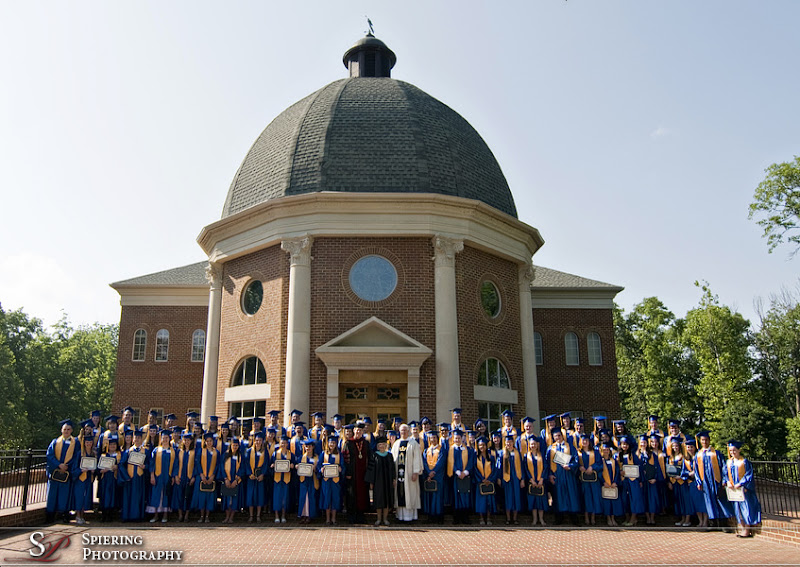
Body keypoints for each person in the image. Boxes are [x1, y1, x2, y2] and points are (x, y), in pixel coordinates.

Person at [694, 430, 733, 526]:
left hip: (716, 481)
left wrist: (724, 480)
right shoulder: (698, 455)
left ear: (709, 440)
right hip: (705, 483)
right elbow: (696, 471)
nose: (704, 442)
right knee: (709, 502)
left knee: (720, 500)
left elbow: (724, 467)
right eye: (702, 440)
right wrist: (699, 482)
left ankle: (724, 524)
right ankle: (713, 523)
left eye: (706, 440)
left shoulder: (716, 453)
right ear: (700, 441)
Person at [724, 440, 761, 538]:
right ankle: (743, 528)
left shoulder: (744, 462)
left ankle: (747, 530)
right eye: (731, 451)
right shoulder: (729, 462)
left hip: (743, 490)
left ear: (739, 450)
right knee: (738, 510)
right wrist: (727, 482)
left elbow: (749, 475)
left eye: (734, 450)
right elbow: (725, 474)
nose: (732, 452)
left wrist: (741, 484)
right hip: (734, 490)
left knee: (746, 509)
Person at [546, 428, 581, 525]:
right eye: (555, 436)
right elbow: (547, 464)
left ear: (562, 436)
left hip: (568, 475)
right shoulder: (550, 449)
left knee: (571, 495)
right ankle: (559, 518)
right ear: (553, 437)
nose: (558, 438)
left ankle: (574, 517)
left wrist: (570, 466)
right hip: (557, 476)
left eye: (559, 435)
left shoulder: (570, 447)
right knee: (558, 496)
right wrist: (550, 475)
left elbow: (576, 460)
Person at [46, 419, 77, 523]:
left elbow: (76, 457)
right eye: (65, 429)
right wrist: (59, 465)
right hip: (55, 472)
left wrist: (66, 466)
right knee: (52, 494)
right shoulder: (55, 442)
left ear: (71, 430)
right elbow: (50, 455)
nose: (66, 431)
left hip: (66, 473)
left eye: (68, 429)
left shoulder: (75, 443)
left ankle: (64, 514)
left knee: (65, 495)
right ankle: (50, 515)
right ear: (61, 430)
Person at [391, 423, 423, 523]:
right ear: (399, 432)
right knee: (400, 494)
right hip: (398, 474)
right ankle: (400, 516)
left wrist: (416, 472)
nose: (403, 432)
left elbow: (417, 458)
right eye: (401, 430)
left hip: (409, 474)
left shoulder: (413, 443)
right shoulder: (396, 443)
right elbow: (393, 459)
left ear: (408, 431)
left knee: (410, 494)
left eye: (405, 430)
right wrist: (392, 475)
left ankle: (411, 517)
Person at [344, 422, 371, 524]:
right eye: (357, 430)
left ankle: (361, 515)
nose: (358, 432)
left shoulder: (366, 443)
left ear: (362, 431)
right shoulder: (349, 443)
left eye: (360, 430)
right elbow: (346, 460)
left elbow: (370, 458)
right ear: (354, 431)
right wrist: (348, 472)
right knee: (352, 495)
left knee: (362, 494)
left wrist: (369, 472)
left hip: (363, 474)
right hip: (353, 474)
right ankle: (351, 516)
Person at [364, 436, 395, 526]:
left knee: (387, 499)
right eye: (380, 445)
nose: (381, 446)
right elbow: (371, 470)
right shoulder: (374, 455)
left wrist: (393, 479)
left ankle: (385, 519)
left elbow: (393, 468)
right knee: (378, 500)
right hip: (378, 482)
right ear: (377, 446)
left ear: (386, 445)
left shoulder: (389, 455)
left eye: (383, 444)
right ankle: (378, 519)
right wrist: (371, 482)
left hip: (388, 481)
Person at [447, 429, 475, 525]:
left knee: (465, 496)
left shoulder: (467, 449)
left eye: (459, 438)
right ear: (453, 439)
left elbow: (471, 462)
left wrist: (466, 472)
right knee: (456, 496)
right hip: (456, 476)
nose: (457, 440)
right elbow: (451, 462)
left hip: (466, 477)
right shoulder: (451, 449)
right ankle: (456, 518)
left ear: (462, 438)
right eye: (456, 438)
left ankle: (465, 517)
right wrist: (458, 472)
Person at [119, 429, 147, 522]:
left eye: (139, 438)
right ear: (133, 439)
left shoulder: (145, 451)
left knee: (138, 497)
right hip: (130, 478)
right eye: (136, 438)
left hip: (140, 478)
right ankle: (127, 516)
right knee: (128, 498)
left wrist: (145, 466)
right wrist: (126, 476)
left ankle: (138, 517)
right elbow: (122, 464)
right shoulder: (128, 451)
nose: (137, 439)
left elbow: (150, 464)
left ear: (141, 440)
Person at [147, 430, 175, 523]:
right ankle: (155, 516)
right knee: (156, 495)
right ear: (161, 439)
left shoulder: (172, 451)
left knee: (166, 495)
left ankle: (165, 515)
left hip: (167, 476)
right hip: (157, 476)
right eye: (163, 438)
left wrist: (173, 477)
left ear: (169, 439)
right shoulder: (156, 450)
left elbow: (175, 464)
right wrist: (152, 475)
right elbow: (152, 463)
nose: (165, 439)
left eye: (167, 438)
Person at [192, 432, 219, 524]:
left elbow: (217, 465)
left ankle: (207, 516)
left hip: (212, 478)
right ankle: (201, 516)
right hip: (201, 478)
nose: (209, 443)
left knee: (210, 498)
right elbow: (197, 463)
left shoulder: (216, 452)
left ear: (213, 441)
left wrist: (213, 475)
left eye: (210, 441)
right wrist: (201, 475)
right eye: (207, 441)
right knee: (201, 498)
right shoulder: (200, 451)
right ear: (205, 442)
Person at [618, 435, 644, 527]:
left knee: (634, 499)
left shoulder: (633, 455)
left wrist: (640, 480)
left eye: (626, 444)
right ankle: (627, 518)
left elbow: (639, 468)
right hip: (624, 480)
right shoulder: (618, 456)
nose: (624, 446)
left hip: (633, 480)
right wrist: (619, 472)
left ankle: (634, 518)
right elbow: (615, 468)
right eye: (623, 444)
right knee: (625, 500)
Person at [577, 434, 603, 526]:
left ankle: (593, 517)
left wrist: (592, 467)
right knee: (586, 498)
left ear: (589, 442)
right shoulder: (578, 453)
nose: (585, 442)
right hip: (583, 480)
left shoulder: (595, 452)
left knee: (594, 497)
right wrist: (580, 467)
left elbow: (600, 464)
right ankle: (586, 517)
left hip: (594, 480)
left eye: (586, 440)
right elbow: (575, 463)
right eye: (583, 441)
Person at [498, 434, 524, 525]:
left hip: (516, 478)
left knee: (516, 498)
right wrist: (499, 478)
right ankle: (508, 519)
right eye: (507, 442)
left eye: (510, 442)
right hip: (506, 479)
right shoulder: (502, 453)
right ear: (505, 443)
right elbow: (499, 467)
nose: (509, 443)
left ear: (513, 442)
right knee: (508, 498)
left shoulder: (517, 453)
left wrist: (523, 479)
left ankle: (515, 518)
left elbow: (522, 467)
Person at [244, 430, 268, 523]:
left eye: (260, 440)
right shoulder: (249, 451)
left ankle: (258, 516)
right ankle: (251, 515)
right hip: (251, 478)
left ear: (262, 441)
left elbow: (266, 464)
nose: (258, 442)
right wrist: (249, 473)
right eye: (256, 440)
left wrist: (263, 474)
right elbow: (246, 464)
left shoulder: (265, 452)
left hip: (260, 478)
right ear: (254, 441)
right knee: (251, 496)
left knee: (259, 496)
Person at [319, 435, 343, 526]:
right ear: (327, 443)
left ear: (336, 444)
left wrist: (341, 469)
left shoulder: (339, 454)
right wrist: (320, 470)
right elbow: (319, 466)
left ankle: (334, 519)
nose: (331, 444)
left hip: (335, 481)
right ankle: (328, 519)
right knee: (327, 499)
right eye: (330, 442)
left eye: (333, 443)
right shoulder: (323, 454)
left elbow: (343, 465)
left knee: (335, 499)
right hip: (326, 481)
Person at [422, 430, 446, 524]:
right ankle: (430, 516)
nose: (433, 440)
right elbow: (424, 462)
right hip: (428, 476)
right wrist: (428, 473)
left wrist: (433, 472)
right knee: (429, 496)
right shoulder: (426, 450)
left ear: (437, 438)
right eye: (431, 438)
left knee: (437, 496)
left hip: (438, 476)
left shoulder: (441, 450)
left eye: (434, 438)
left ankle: (438, 517)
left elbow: (441, 462)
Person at [524, 435, 548, 526]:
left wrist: (542, 479)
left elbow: (545, 467)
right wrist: (531, 480)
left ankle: (541, 519)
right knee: (533, 502)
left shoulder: (541, 455)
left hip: (540, 482)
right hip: (532, 482)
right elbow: (525, 469)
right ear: (529, 445)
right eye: (531, 444)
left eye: (534, 444)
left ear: (537, 445)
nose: (533, 446)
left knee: (541, 502)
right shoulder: (526, 456)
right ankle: (534, 519)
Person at [667, 437, 691, 527]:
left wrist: (681, 476)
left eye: (676, 445)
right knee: (679, 501)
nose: (675, 447)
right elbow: (669, 471)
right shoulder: (671, 458)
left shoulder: (684, 457)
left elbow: (686, 469)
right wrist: (670, 481)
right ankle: (682, 519)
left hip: (682, 481)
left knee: (685, 500)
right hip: (674, 482)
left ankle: (687, 519)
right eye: (673, 446)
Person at [684, 437, 708, 527]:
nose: (690, 449)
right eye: (688, 447)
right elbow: (683, 472)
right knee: (696, 503)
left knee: (703, 503)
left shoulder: (700, 456)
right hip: (692, 483)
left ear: (695, 447)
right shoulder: (686, 460)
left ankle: (705, 522)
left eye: (691, 447)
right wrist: (689, 473)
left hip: (701, 483)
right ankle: (700, 521)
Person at [73, 434, 97, 525]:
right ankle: (78, 515)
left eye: (90, 442)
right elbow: (75, 467)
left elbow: (96, 466)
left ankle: (82, 515)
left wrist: (93, 470)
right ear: (84, 443)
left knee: (85, 497)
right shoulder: (80, 453)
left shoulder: (93, 454)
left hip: (88, 478)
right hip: (80, 478)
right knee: (79, 496)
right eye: (87, 442)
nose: (89, 444)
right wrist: (80, 470)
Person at [636, 435, 660, 525]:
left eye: (645, 442)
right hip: (642, 481)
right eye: (642, 442)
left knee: (652, 499)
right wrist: (640, 480)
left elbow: (657, 468)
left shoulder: (652, 455)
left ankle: (652, 518)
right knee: (645, 499)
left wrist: (655, 478)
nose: (643, 444)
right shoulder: (637, 455)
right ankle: (647, 517)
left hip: (651, 481)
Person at [172, 432, 195, 523]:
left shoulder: (194, 452)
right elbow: (175, 465)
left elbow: (196, 465)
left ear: (191, 441)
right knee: (179, 497)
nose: (186, 442)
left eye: (188, 440)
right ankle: (180, 515)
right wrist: (176, 476)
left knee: (188, 497)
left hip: (189, 478)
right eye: (185, 440)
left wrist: (194, 477)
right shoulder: (179, 451)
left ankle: (186, 515)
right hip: (180, 477)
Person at [220, 437, 244, 524]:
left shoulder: (240, 456)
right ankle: (226, 517)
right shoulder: (225, 455)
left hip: (236, 481)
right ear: (230, 445)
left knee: (234, 500)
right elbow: (221, 467)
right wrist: (225, 479)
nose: (235, 447)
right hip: (227, 481)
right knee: (227, 500)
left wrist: (236, 480)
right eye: (233, 445)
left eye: (237, 445)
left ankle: (231, 517)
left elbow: (242, 468)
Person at [97, 434, 121, 523]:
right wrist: (101, 471)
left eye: (114, 445)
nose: (112, 446)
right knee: (104, 496)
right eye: (111, 445)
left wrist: (117, 467)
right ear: (108, 446)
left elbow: (122, 466)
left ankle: (110, 514)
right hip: (105, 479)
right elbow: (97, 467)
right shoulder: (103, 456)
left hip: (113, 478)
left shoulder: (119, 455)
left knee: (113, 496)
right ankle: (104, 514)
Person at [271, 435, 293, 523]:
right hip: (277, 479)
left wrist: (292, 466)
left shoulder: (290, 454)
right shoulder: (275, 453)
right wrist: (272, 466)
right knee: (277, 498)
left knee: (285, 498)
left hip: (286, 479)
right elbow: (271, 464)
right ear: (279, 443)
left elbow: (294, 464)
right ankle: (276, 516)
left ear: (287, 444)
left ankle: (283, 515)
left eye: (285, 443)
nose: (283, 444)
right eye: (281, 443)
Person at [599, 442, 622, 526]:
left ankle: (613, 518)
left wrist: (615, 482)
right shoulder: (601, 461)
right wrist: (603, 482)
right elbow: (599, 473)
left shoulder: (614, 461)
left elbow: (617, 472)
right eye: (604, 450)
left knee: (614, 502)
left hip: (613, 485)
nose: (606, 451)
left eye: (607, 450)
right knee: (607, 503)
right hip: (605, 485)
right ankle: (608, 519)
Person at [296, 439, 319, 524]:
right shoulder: (301, 457)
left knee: (311, 497)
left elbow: (319, 469)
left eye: (309, 446)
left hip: (312, 480)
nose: (308, 448)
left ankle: (310, 515)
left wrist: (316, 468)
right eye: (306, 446)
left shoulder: (317, 458)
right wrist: (296, 466)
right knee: (303, 497)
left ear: (313, 447)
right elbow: (297, 466)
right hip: (304, 480)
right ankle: (303, 515)